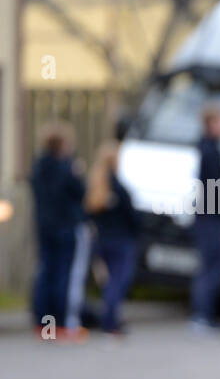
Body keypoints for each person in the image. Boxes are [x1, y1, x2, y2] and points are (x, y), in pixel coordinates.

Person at [29, 122, 85, 338]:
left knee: (45, 271)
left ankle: (44, 323)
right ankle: (60, 323)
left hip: (44, 226)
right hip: (64, 226)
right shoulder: (66, 168)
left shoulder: (39, 167)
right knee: (63, 274)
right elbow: (79, 193)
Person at [83, 140, 140, 335]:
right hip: (121, 241)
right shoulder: (119, 188)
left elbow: (88, 214)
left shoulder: (95, 187)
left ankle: (108, 318)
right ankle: (110, 320)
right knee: (118, 281)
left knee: (109, 282)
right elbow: (132, 216)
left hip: (101, 241)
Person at [191, 104, 220, 334]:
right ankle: (203, 316)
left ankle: (206, 315)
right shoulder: (209, 151)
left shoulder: (211, 148)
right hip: (211, 217)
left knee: (211, 267)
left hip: (210, 216)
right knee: (210, 267)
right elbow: (215, 189)